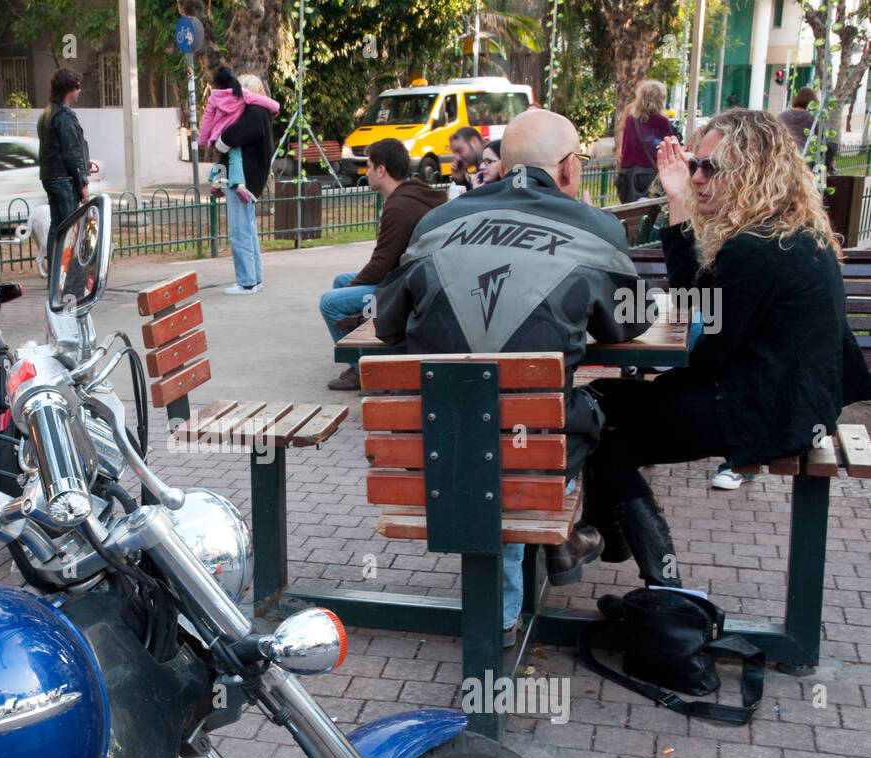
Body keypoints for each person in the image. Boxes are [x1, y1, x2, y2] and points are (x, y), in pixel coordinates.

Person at [373, 110, 654, 642]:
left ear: (500, 165)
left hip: (431, 451)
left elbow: (386, 325)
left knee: (491, 420)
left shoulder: (436, 225)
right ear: (569, 169)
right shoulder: (594, 229)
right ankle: (558, 542)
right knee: (581, 410)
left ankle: (506, 601)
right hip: (536, 454)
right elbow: (634, 320)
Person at [581, 109, 871, 589]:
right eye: (694, 164)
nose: (697, 176)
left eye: (709, 167)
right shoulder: (786, 231)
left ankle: (655, 578)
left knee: (598, 427)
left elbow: (707, 351)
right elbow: (702, 303)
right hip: (794, 402)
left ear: (752, 170)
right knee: (606, 407)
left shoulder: (754, 247)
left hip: (768, 412)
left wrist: (659, 384)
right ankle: (616, 541)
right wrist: (677, 198)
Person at [322, 138, 443, 390]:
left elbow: (380, 265)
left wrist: (349, 290)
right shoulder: (414, 191)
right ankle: (363, 359)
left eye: (368, 166)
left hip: (409, 290)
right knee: (341, 282)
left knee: (330, 302)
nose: (366, 172)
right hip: (413, 278)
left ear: (381, 170)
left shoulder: (399, 207)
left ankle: (367, 372)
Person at [213, 75, 275, 294]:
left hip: (240, 180)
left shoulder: (253, 114)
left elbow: (230, 136)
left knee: (239, 232)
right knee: (248, 231)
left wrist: (219, 141)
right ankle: (253, 279)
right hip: (251, 181)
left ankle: (246, 282)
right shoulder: (263, 113)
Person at [198, 66, 280, 203]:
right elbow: (264, 101)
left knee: (226, 159)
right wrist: (276, 108)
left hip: (218, 134)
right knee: (234, 158)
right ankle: (231, 184)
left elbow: (207, 121)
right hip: (228, 142)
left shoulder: (215, 98)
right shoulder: (246, 99)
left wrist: (202, 140)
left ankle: (220, 182)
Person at [38, 68, 91, 251]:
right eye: (78, 86)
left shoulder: (47, 113)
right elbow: (72, 152)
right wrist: (82, 183)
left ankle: (55, 275)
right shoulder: (64, 116)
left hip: (50, 176)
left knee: (57, 228)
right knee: (69, 229)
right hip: (64, 179)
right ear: (69, 89)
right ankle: (65, 274)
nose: (80, 90)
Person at [617, 79, 676, 204]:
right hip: (649, 175)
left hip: (628, 176)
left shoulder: (630, 120)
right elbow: (670, 148)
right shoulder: (661, 121)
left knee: (630, 213)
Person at [447, 127, 484, 191]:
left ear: (474, 142)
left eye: (459, 150)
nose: (457, 158)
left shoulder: (490, 163)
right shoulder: (482, 163)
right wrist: (461, 181)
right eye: (455, 153)